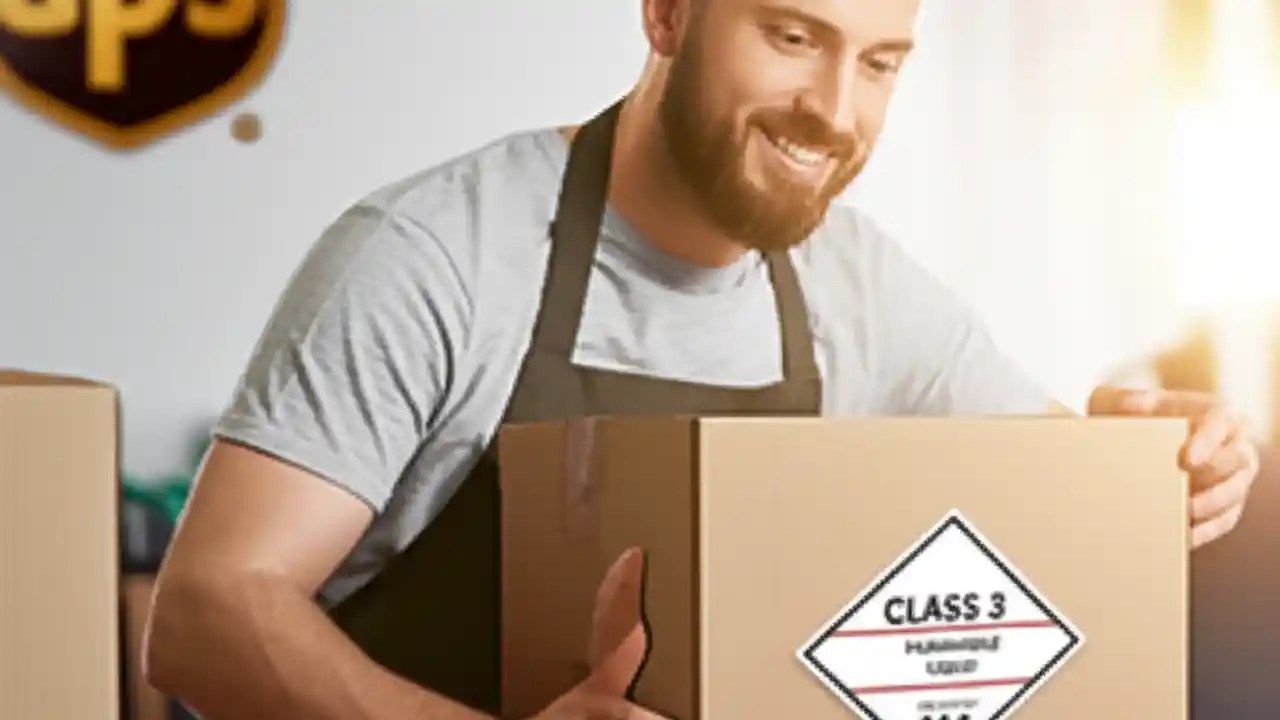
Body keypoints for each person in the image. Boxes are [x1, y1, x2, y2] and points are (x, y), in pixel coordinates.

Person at [143, 0, 1261, 718]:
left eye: (878, 63)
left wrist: (1152, 462)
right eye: (790, 37)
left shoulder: (856, 286)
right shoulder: (441, 252)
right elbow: (203, 615)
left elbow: (1052, 503)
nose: (832, 111)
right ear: (667, 14)